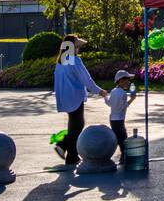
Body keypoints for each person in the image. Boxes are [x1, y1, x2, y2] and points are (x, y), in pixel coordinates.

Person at [53, 35, 107, 168]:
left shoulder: (61, 62)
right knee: (77, 125)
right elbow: (86, 79)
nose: (78, 49)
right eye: (77, 46)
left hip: (65, 97)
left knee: (74, 125)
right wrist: (98, 90)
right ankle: (63, 145)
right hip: (75, 96)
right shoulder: (74, 61)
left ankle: (72, 156)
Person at [106, 71, 137, 166]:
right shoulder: (123, 93)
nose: (129, 82)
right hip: (119, 119)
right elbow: (123, 106)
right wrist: (132, 98)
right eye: (127, 80)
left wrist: (104, 97)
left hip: (112, 119)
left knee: (119, 138)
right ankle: (124, 158)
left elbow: (109, 103)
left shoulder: (113, 91)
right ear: (121, 80)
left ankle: (122, 157)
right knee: (123, 139)